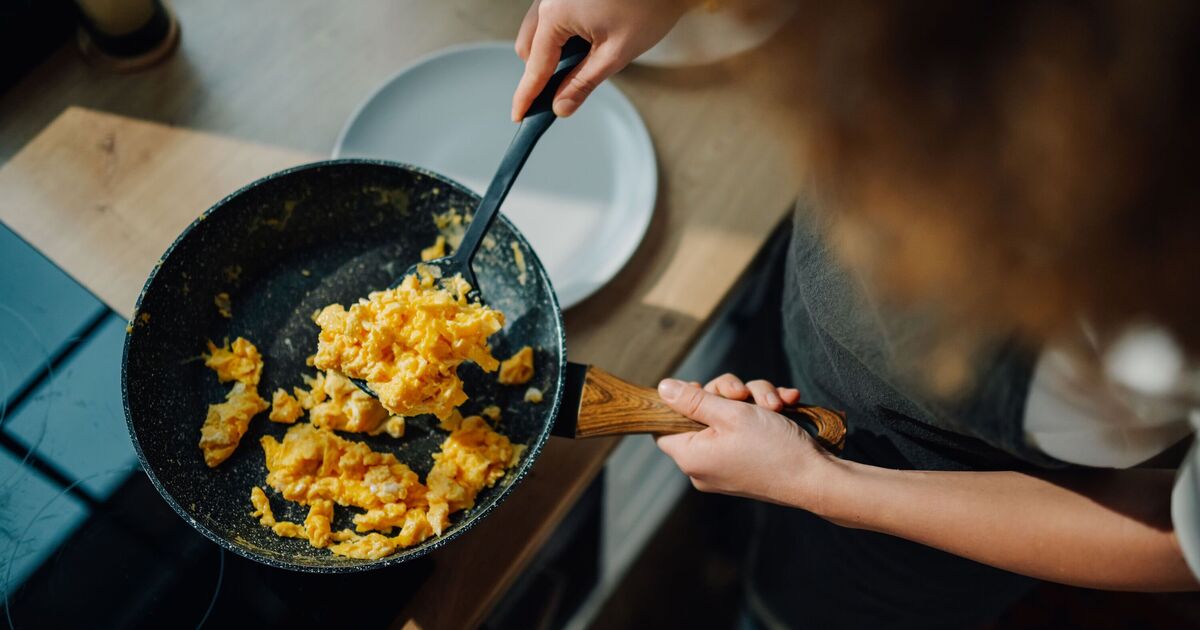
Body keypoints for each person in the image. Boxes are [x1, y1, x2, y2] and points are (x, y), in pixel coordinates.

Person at [512, 1, 1200, 627]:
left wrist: (824, 486)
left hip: (924, 527)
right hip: (804, 339)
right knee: (731, 514)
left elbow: (1178, 543)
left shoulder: (1161, 314)